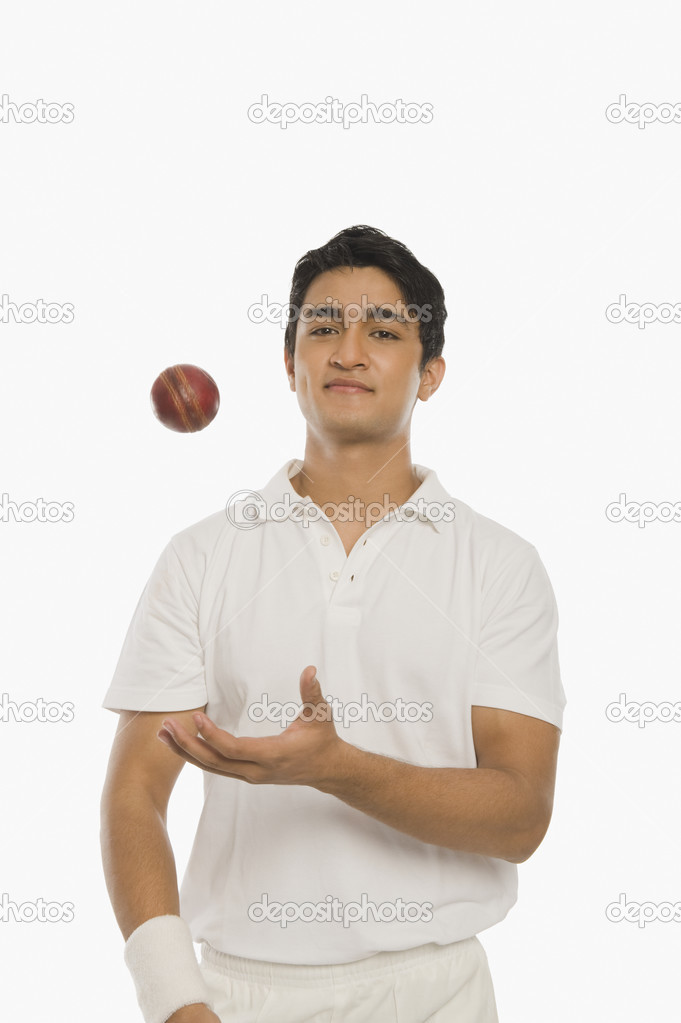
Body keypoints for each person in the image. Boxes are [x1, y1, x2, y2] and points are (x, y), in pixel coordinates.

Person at [100, 225, 566, 1023]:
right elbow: (134, 793)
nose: (348, 352)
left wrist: (339, 768)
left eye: (382, 332)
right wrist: (175, 1000)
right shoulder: (201, 556)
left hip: (438, 994)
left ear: (430, 374)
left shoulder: (500, 565)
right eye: (322, 328)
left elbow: (520, 815)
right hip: (238, 994)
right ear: (289, 364)